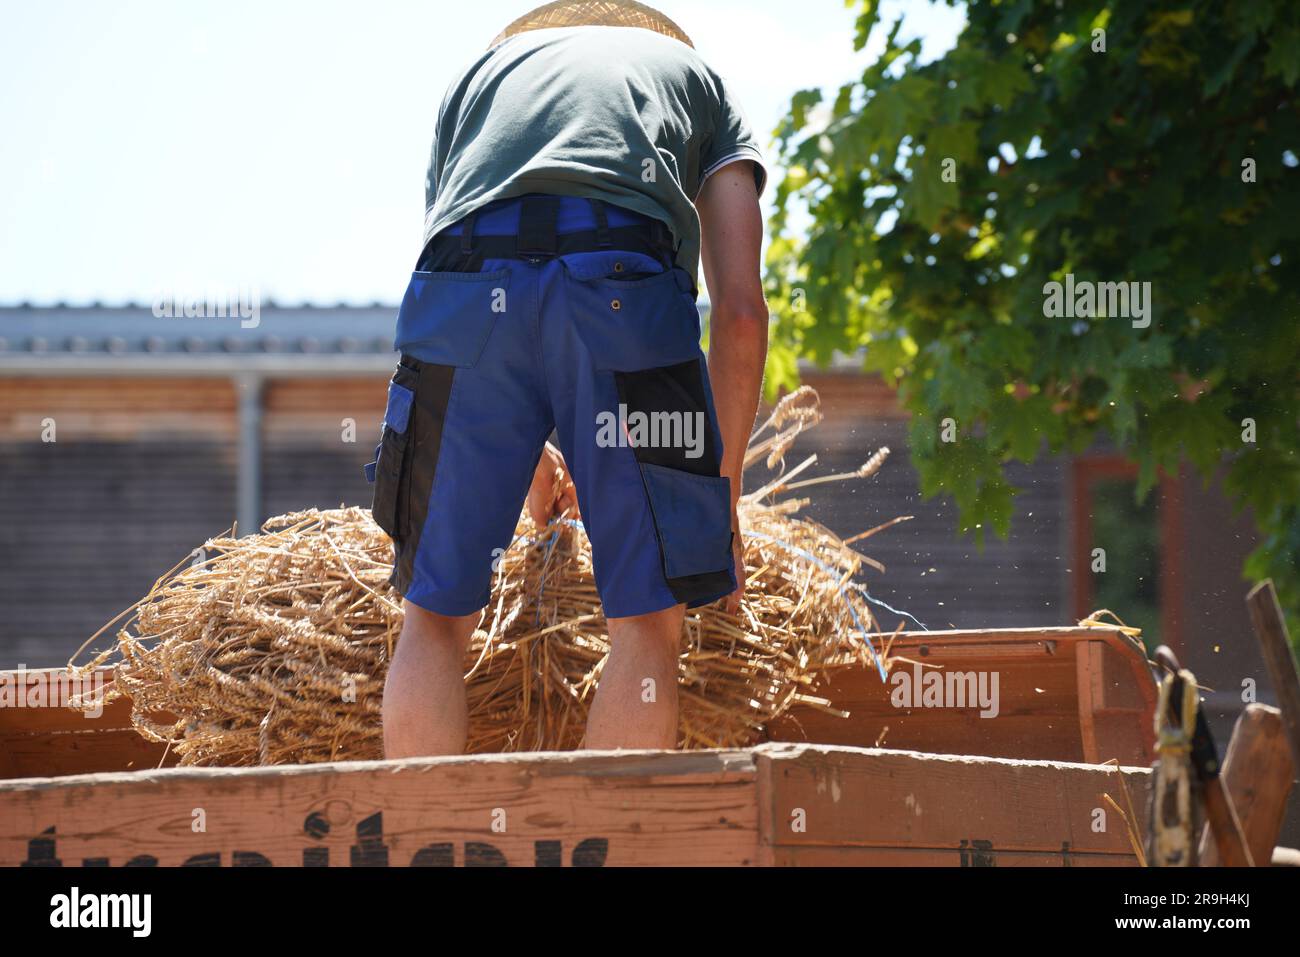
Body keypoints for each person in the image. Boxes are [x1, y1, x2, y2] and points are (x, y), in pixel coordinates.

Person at [369, 0, 769, 756]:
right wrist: (718, 488)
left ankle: (428, 842)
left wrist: (529, 459)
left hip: (463, 290)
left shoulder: (474, 85)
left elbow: (465, 292)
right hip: (623, 286)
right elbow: (742, 315)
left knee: (433, 616)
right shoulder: (700, 83)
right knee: (648, 622)